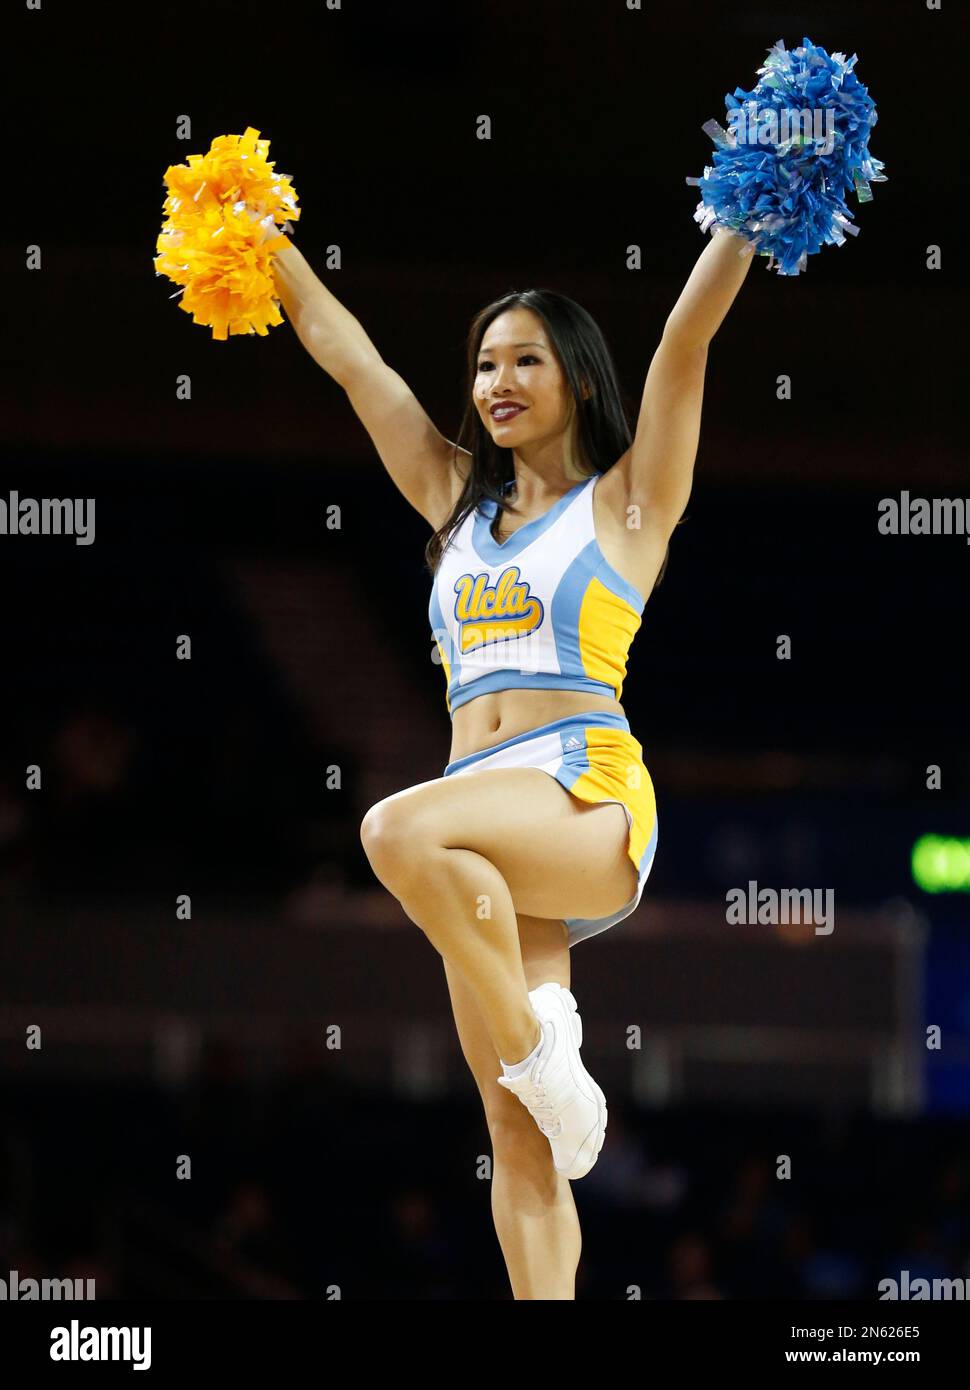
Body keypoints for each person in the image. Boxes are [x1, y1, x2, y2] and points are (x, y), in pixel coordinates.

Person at [270, 227, 754, 1298]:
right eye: (485, 362)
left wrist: (746, 214)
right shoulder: (453, 506)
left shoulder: (627, 505)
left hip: (584, 798)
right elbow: (350, 356)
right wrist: (263, 242)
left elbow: (686, 335)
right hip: (484, 837)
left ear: (577, 376)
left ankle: (547, 1051)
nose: (497, 380)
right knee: (516, 1133)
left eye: (524, 357)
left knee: (394, 828)